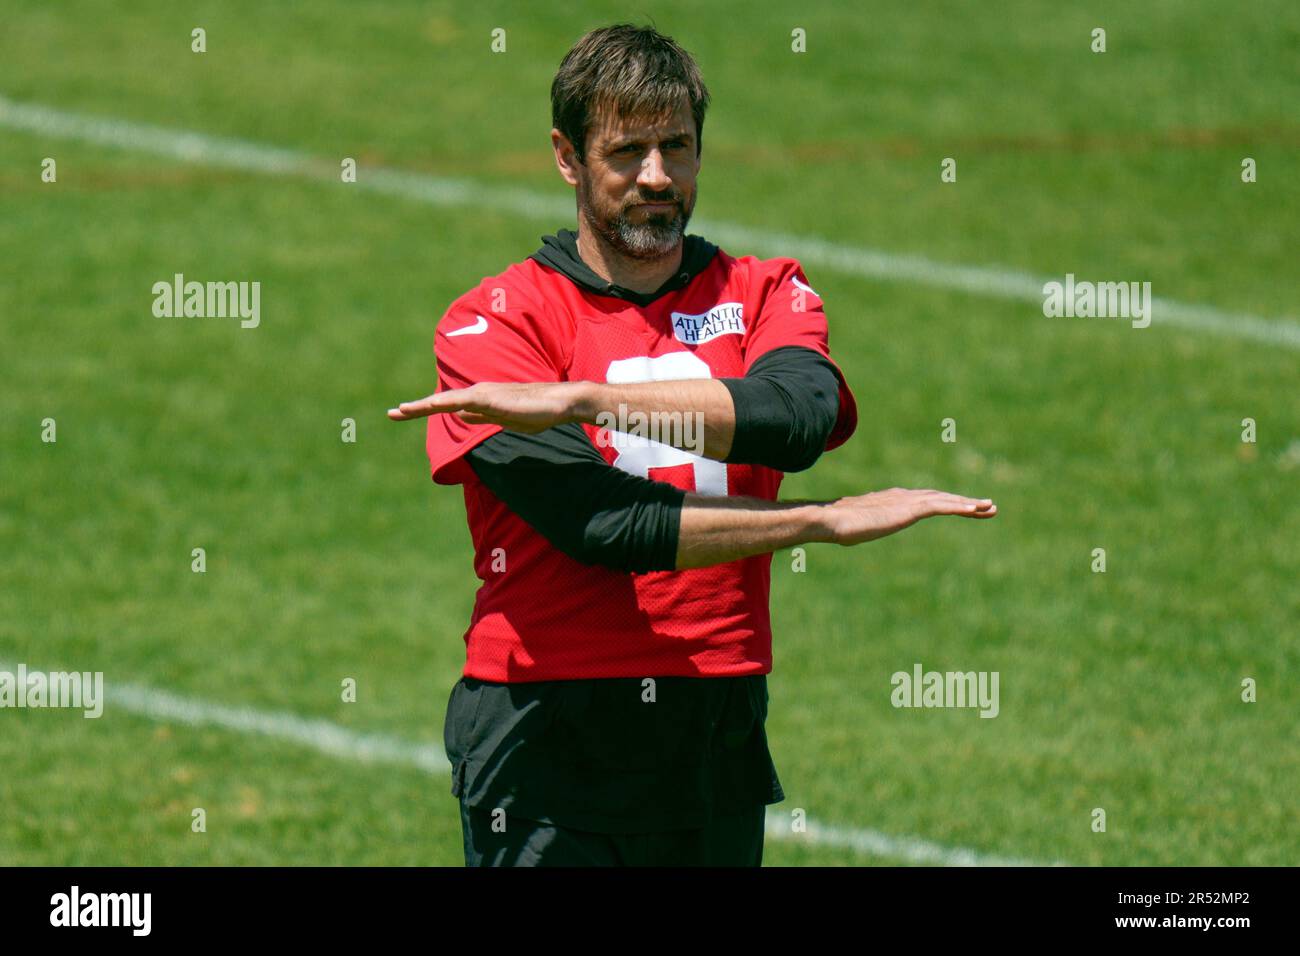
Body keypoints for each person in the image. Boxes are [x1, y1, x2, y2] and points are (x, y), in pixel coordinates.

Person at [388, 23, 996, 866]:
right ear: (567, 157)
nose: (656, 176)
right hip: (544, 726)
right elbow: (600, 525)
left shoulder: (763, 290)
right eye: (626, 150)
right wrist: (818, 524)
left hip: (713, 719)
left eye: (676, 146)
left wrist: (593, 399)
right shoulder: (493, 324)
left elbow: (798, 420)